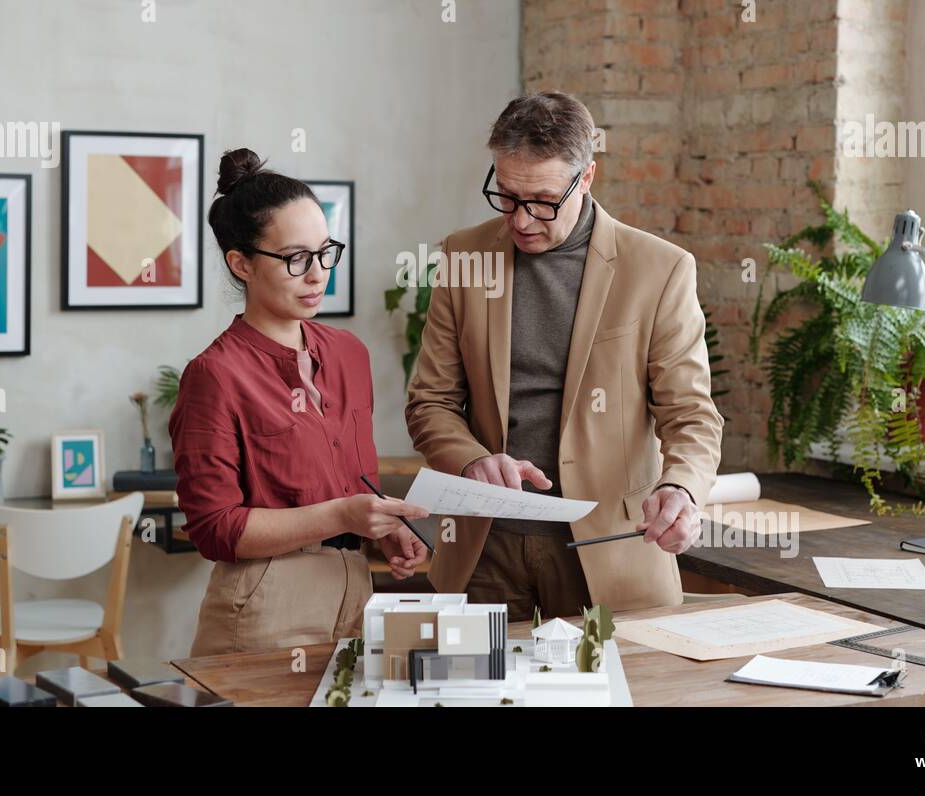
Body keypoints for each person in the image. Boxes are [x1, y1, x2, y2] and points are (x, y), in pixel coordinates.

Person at [405, 92, 723, 620]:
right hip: (483, 551)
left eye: (543, 201)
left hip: (610, 551)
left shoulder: (660, 269)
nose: (523, 220)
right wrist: (473, 459)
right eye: (506, 196)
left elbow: (690, 414)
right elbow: (429, 403)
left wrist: (681, 488)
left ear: (588, 176)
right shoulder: (463, 256)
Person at [170, 148, 428, 655]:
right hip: (265, 605)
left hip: (355, 592)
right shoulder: (214, 376)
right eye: (295, 259)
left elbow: (351, 484)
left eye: (325, 252)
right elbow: (215, 528)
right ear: (240, 263)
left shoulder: (350, 354)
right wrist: (344, 516)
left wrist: (383, 528)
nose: (317, 274)